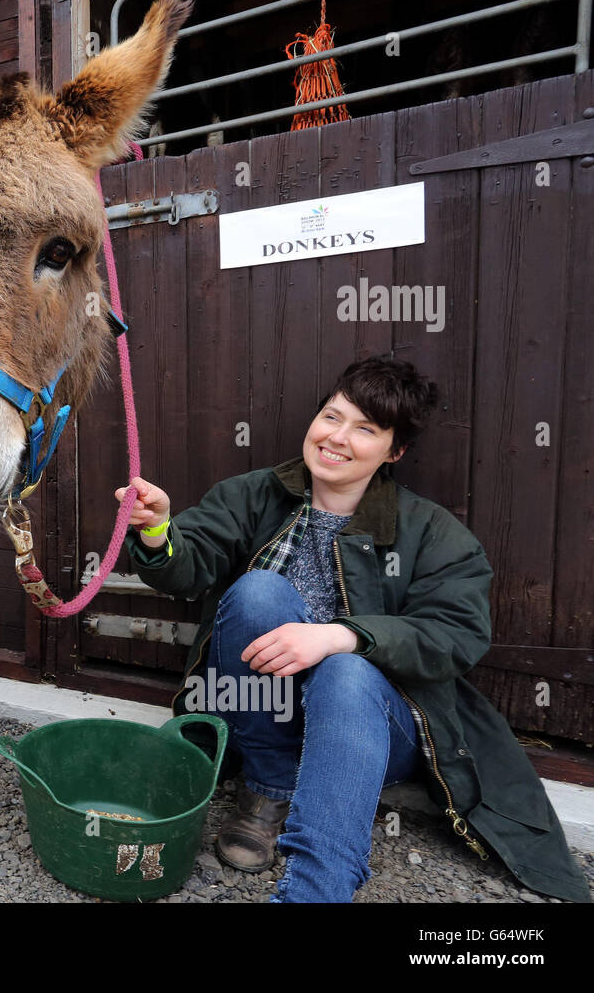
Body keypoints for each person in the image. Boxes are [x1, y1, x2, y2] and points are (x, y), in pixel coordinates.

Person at [117, 356, 591, 903]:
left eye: (365, 429)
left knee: (345, 671)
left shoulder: (433, 531)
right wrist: (156, 532)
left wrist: (345, 636)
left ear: (395, 451)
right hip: (260, 704)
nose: (336, 438)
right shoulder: (254, 494)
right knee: (257, 591)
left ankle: (316, 891)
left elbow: (457, 634)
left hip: (373, 723)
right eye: (331, 416)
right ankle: (268, 788)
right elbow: (187, 567)